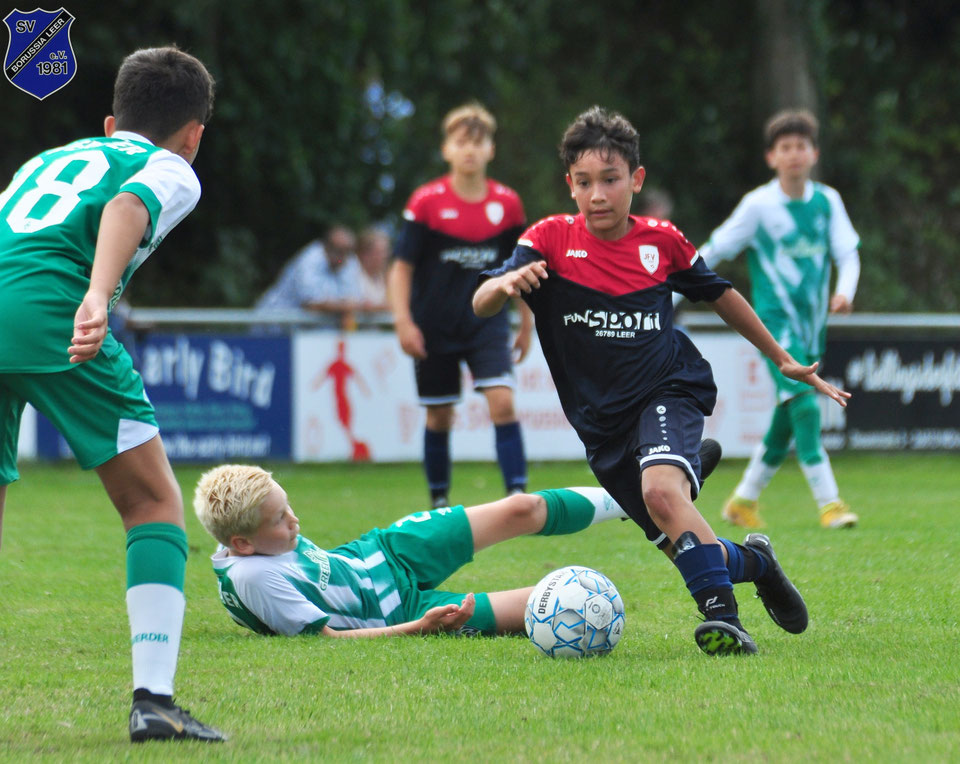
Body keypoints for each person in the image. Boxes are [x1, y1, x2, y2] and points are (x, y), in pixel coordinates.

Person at [473, 106, 850, 656]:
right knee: (684, 541)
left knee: (659, 493)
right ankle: (759, 563)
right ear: (569, 187)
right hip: (601, 428)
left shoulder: (662, 242)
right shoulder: (548, 241)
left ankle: (725, 621)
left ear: (636, 180)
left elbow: (721, 294)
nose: (598, 194)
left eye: (610, 180)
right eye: (584, 183)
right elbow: (480, 302)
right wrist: (506, 281)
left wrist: (782, 358)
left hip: (669, 388)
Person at [0, 47, 224, 741]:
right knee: (152, 500)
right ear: (194, 134)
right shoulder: (170, 167)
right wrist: (97, 295)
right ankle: (154, 701)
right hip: (50, 311)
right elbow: (129, 205)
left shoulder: (45, 161)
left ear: (109, 122)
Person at [194, 464, 639, 637]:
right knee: (554, 604)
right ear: (243, 544)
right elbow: (326, 642)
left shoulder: (239, 538)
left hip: (385, 551)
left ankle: (638, 498)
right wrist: (418, 626)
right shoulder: (254, 577)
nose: (294, 520)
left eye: (286, 505)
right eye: (279, 520)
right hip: (400, 610)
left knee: (521, 507)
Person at [692, 109, 861, 531]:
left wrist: (846, 291)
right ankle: (830, 503)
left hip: (812, 324)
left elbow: (848, 254)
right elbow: (718, 246)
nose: (794, 155)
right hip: (775, 324)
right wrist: (673, 284)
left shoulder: (828, 201)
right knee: (804, 402)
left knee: (786, 417)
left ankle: (742, 501)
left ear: (814, 153)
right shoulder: (759, 205)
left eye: (801, 146)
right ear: (772, 157)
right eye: (785, 148)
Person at [388, 102, 533, 509]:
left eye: (478, 141)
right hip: (433, 326)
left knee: (502, 402)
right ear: (446, 149)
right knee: (439, 416)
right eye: (460, 142)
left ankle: (517, 496)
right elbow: (401, 269)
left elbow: (523, 267)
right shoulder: (426, 202)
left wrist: (526, 324)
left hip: (486, 323)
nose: (469, 150)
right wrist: (402, 321)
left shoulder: (507, 205)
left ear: (491, 150)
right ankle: (439, 501)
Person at [256, 224, 364, 329]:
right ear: (327, 247)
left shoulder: (348, 260)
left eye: (347, 252)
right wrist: (346, 307)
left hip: (305, 331)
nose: (344, 258)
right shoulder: (310, 259)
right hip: (274, 324)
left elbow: (352, 300)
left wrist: (347, 307)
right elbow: (311, 305)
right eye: (340, 251)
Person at [355, 226, 391, 312]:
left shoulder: (382, 277)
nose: (386, 256)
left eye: (386, 251)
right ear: (365, 254)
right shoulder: (352, 274)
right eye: (381, 252)